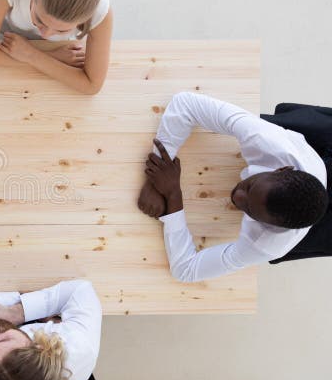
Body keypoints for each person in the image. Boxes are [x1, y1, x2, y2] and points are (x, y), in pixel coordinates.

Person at [138, 91, 328, 282]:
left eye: (250, 210)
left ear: (270, 226)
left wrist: (173, 196)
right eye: (250, 187)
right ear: (281, 169)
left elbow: (186, 271)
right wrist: (158, 173)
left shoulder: (269, 244)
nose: (237, 197)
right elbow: (185, 103)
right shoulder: (268, 141)